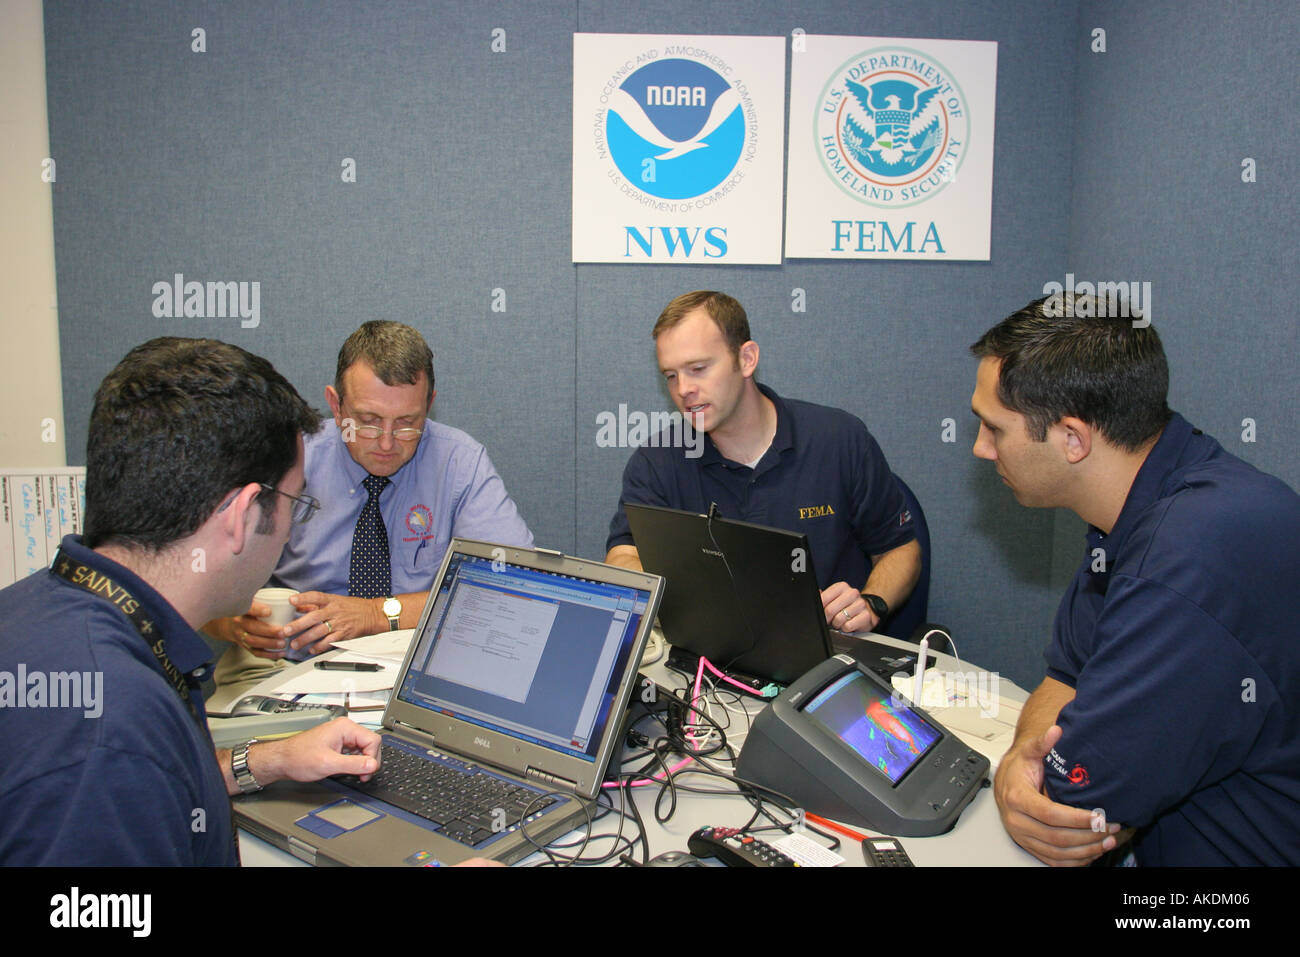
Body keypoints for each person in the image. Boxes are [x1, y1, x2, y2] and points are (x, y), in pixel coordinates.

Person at [0, 338, 382, 864]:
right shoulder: (111, 731)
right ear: (242, 514)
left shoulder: (37, 611)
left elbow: (150, 791)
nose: (292, 525)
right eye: (296, 502)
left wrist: (263, 762)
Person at [971, 293, 1300, 866]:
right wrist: (1025, 753)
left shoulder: (1184, 561)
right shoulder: (1157, 493)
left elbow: (1077, 801)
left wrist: (1021, 784)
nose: (979, 448)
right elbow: (1069, 671)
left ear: (1073, 439)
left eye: (994, 428)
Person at [208, 321, 532, 680]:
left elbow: (508, 588)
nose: (387, 442)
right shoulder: (290, 458)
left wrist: (378, 614)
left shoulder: (459, 463)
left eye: (408, 421)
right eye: (368, 421)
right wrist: (231, 624)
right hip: (286, 665)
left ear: (430, 405)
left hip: (415, 667)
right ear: (336, 405)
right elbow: (196, 579)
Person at [605, 290, 920, 634]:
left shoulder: (839, 439)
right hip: (708, 658)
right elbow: (623, 557)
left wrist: (871, 604)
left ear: (747, 359)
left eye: (698, 368)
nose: (683, 389)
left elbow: (901, 550)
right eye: (671, 375)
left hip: (828, 655)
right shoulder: (656, 461)